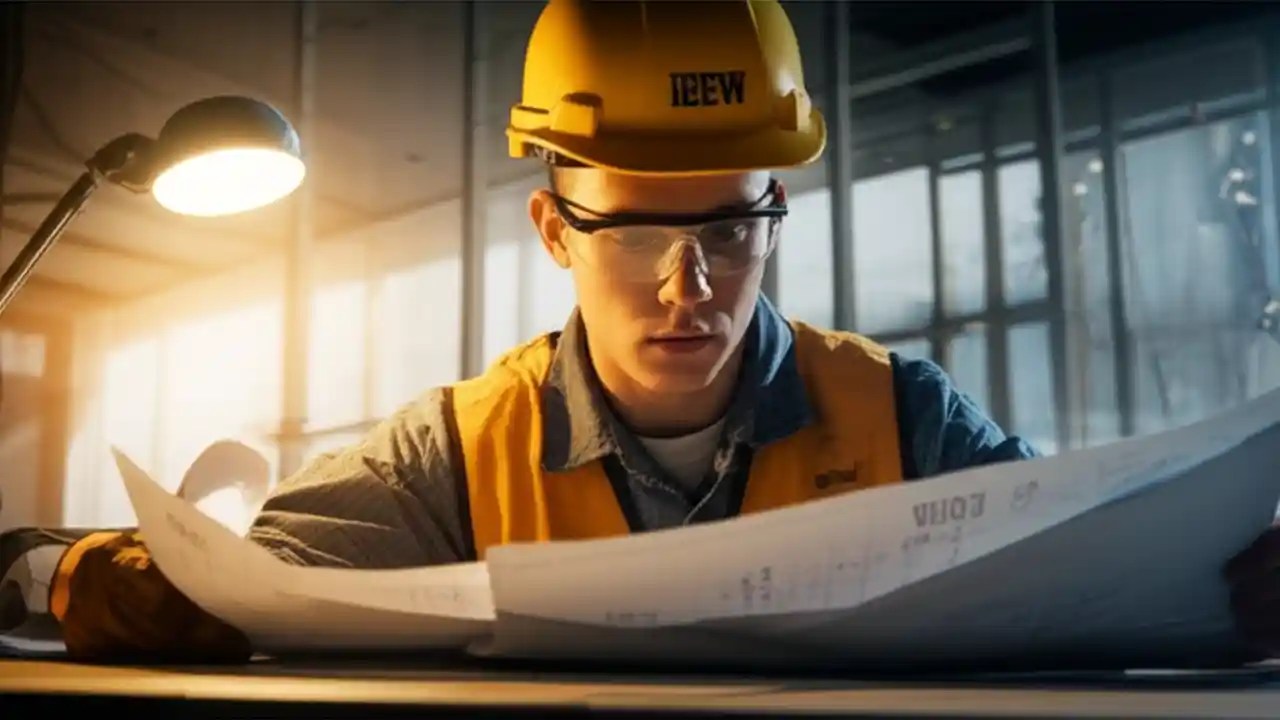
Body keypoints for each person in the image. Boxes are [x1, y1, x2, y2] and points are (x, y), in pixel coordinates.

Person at [49, 0, 1279, 662]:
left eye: (729, 232)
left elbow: (1075, 573)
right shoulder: (450, 454)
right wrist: (91, 578)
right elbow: (236, 584)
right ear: (553, 229)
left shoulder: (908, 417)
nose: (688, 285)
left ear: (775, 212)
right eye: (636, 235)